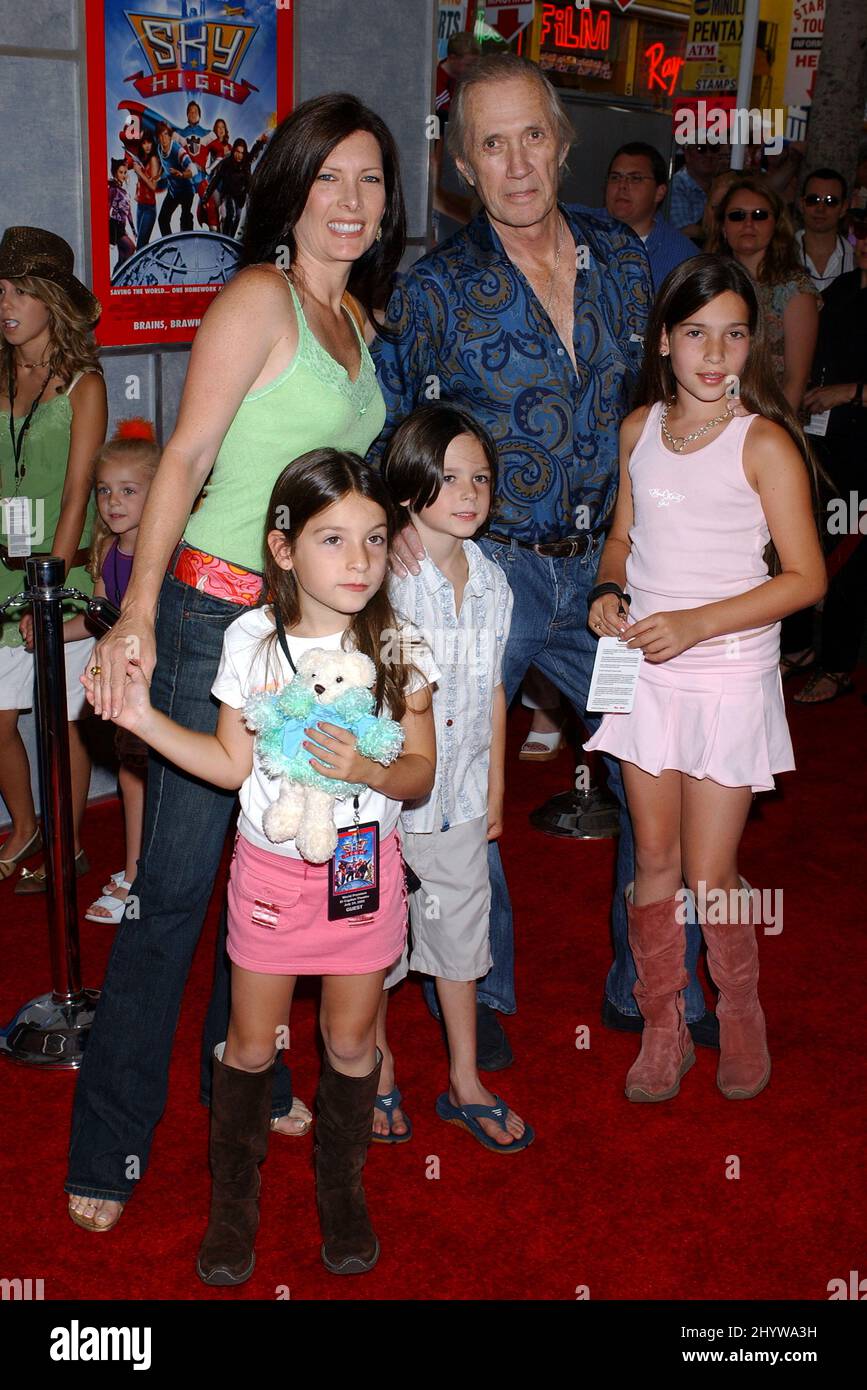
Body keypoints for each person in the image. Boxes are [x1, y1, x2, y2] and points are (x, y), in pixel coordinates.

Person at [64, 91, 407, 1234]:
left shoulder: (358, 318)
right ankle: (109, 1140)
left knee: (274, 869)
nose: (352, 203)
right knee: (172, 892)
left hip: (311, 634)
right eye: (331, 179)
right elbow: (187, 457)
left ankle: (237, 1082)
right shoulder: (259, 297)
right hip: (215, 621)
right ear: (293, 187)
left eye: (371, 181)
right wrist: (139, 612)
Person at [370, 52, 718, 1058]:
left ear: (562, 143)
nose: (517, 161)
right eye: (492, 142)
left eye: (532, 136)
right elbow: (399, 426)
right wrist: (403, 529)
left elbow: (652, 408)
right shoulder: (436, 285)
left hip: (612, 573)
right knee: (460, 789)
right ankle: (485, 997)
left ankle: (649, 983)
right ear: (462, 167)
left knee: (661, 764)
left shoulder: (622, 255)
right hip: (489, 574)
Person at [82, 450, 438, 1282]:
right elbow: (231, 764)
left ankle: (342, 1197)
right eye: (333, 539)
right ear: (282, 549)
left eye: (376, 539)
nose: (359, 561)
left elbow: (419, 771)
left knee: (351, 1042)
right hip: (273, 879)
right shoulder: (251, 636)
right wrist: (140, 717)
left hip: (362, 868)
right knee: (250, 1044)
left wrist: (368, 771)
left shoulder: (397, 641)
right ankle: (233, 1206)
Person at [584, 255, 826, 1102]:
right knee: (651, 857)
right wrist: (609, 592)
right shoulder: (638, 430)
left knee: (709, 872)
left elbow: (804, 577)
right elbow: (621, 537)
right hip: (643, 671)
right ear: (664, 341)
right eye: (695, 334)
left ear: (750, 343)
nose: (714, 353)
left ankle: (742, 1010)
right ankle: (663, 1026)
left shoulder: (762, 441)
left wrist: (693, 623)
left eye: (731, 334)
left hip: (725, 671)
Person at [374, 403, 532, 1152]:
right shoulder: (386, 579)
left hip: (461, 795)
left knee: (461, 941)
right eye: (448, 479)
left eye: (481, 479)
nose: (469, 493)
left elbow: (495, 691)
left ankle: (464, 1079)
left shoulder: (496, 581)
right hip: (376, 803)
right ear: (408, 488)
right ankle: (373, 1073)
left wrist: (496, 790)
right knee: (371, 945)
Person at [0, 227, 107, 889]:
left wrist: (49, 587)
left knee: (58, 721)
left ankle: (66, 842)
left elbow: (74, 498)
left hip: (58, 574)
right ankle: (25, 823)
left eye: (16, 290)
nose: (4, 302)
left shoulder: (83, 385)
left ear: (50, 298)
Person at [60, 420, 159, 924]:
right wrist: (53, 628)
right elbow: (102, 615)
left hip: (154, 682)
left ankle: (140, 875)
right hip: (122, 681)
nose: (113, 502)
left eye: (128, 490)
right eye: (104, 491)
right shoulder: (106, 549)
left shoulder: (160, 554)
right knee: (132, 772)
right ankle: (138, 866)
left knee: (138, 774)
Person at [788, 214, 867, 705]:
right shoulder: (840, 288)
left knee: (850, 557)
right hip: (821, 440)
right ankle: (796, 648)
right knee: (802, 541)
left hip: (863, 448)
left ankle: (838, 665)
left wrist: (849, 392)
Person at [709, 177, 820, 411]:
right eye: (737, 216)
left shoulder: (795, 288)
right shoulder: (709, 281)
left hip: (768, 416)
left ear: (776, 224)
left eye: (759, 215)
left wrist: (776, 434)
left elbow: (796, 381)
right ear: (723, 227)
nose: (748, 224)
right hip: (710, 410)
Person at [601, 142, 697, 292]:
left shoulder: (683, 258)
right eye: (615, 177)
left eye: (635, 178)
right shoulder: (578, 227)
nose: (622, 185)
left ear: (659, 192)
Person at [795, 168, 854, 292]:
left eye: (830, 201)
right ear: (801, 204)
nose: (820, 208)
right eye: (813, 200)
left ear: (843, 208)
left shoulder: (856, 258)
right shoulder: (780, 253)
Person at [204, 136, 268, 239]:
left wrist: (260, 142)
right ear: (233, 151)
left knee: (237, 219)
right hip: (227, 195)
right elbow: (215, 180)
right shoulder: (226, 163)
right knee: (231, 215)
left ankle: (230, 239)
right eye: (237, 152)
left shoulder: (246, 162)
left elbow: (254, 152)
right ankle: (224, 238)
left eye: (242, 153)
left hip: (240, 197)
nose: (239, 156)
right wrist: (206, 197)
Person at [669, 143, 718, 241]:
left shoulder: (721, 184)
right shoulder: (676, 185)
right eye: (701, 149)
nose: (709, 155)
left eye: (714, 148)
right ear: (687, 155)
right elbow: (684, 230)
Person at [155, 122, 195, 237]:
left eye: (166, 134)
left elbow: (193, 170)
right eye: (161, 136)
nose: (164, 138)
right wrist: (158, 175)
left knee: (185, 219)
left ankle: (188, 243)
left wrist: (182, 174)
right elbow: (164, 164)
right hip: (173, 191)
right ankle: (169, 246)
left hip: (187, 190)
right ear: (158, 137)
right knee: (163, 219)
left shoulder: (178, 151)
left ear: (170, 135)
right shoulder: (159, 148)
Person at [127, 133, 161, 249]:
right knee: (141, 245)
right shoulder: (143, 159)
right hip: (140, 206)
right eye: (144, 143)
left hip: (149, 208)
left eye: (149, 142)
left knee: (141, 245)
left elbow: (153, 186)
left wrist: (140, 172)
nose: (147, 146)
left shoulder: (153, 159)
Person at [108, 160, 136, 272]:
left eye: (125, 173)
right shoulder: (113, 189)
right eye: (121, 172)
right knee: (131, 248)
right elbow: (106, 207)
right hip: (114, 225)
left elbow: (128, 212)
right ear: (115, 173)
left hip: (122, 226)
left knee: (122, 257)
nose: (123, 175)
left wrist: (133, 228)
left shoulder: (124, 191)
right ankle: (120, 275)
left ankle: (116, 281)